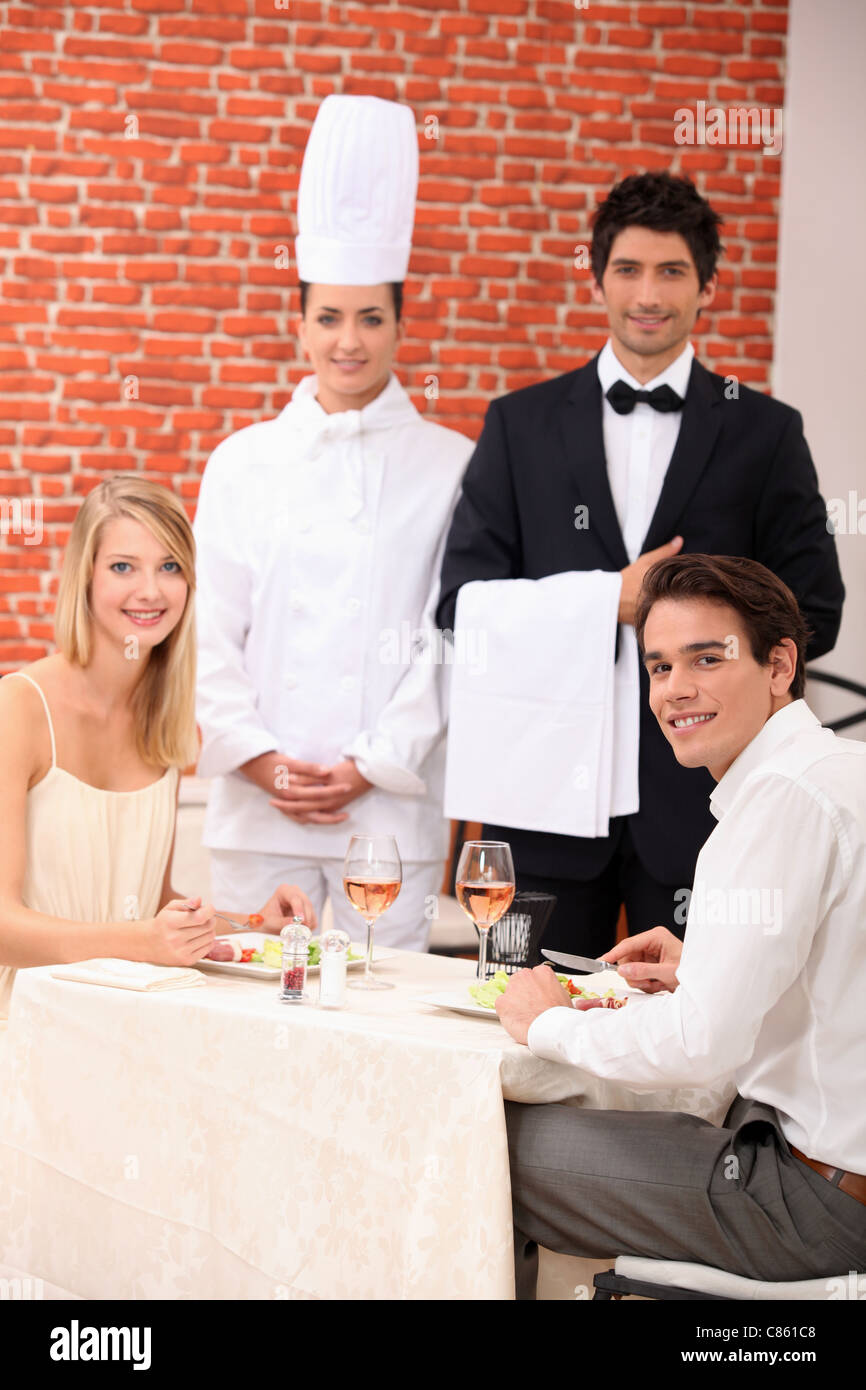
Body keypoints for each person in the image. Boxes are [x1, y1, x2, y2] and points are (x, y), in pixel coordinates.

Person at [437, 172, 844, 959]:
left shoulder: (765, 432)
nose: (648, 293)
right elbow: (459, 606)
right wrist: (604, 602)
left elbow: (814, 609)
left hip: (714, 807)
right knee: (519, 1025)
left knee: (702, 1048)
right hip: (542, 809)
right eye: (627, 270)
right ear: (596, 280)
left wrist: (702, 660)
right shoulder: (518, 426)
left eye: (671, 272)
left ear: (707, 286)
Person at [496, 553, 866, 1297]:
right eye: (659, 667)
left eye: (706, 658)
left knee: (483, 1144)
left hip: (812, 1202)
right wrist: (708, 964)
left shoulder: (778, 801)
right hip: (822, 1167)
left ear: (780, 664)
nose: (676, 690)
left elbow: (702, 1046)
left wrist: (545, 1026)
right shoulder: (838, 770)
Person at [194, 95, 474, 950]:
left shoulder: (453, 463)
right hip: (253, 815)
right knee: (252, 1023)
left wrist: (369, 765)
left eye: (370, 318)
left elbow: (449, 636)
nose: (348, 341)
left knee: (381, 1028)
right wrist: (259, 757)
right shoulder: (241, 461)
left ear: (399, 324)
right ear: (301, 322)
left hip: (387, 814)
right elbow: (208, 632)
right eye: (328, 317)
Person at [0, 477, 315, 1025]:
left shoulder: (165, 724)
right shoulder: (19, 709)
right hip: (25, 1021)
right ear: (86, 577)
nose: (151, 590)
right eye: (124, 566)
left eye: (170, 567)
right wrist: (141, 942)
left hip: (124, 1015)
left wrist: (252, 921)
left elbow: (145, 902)